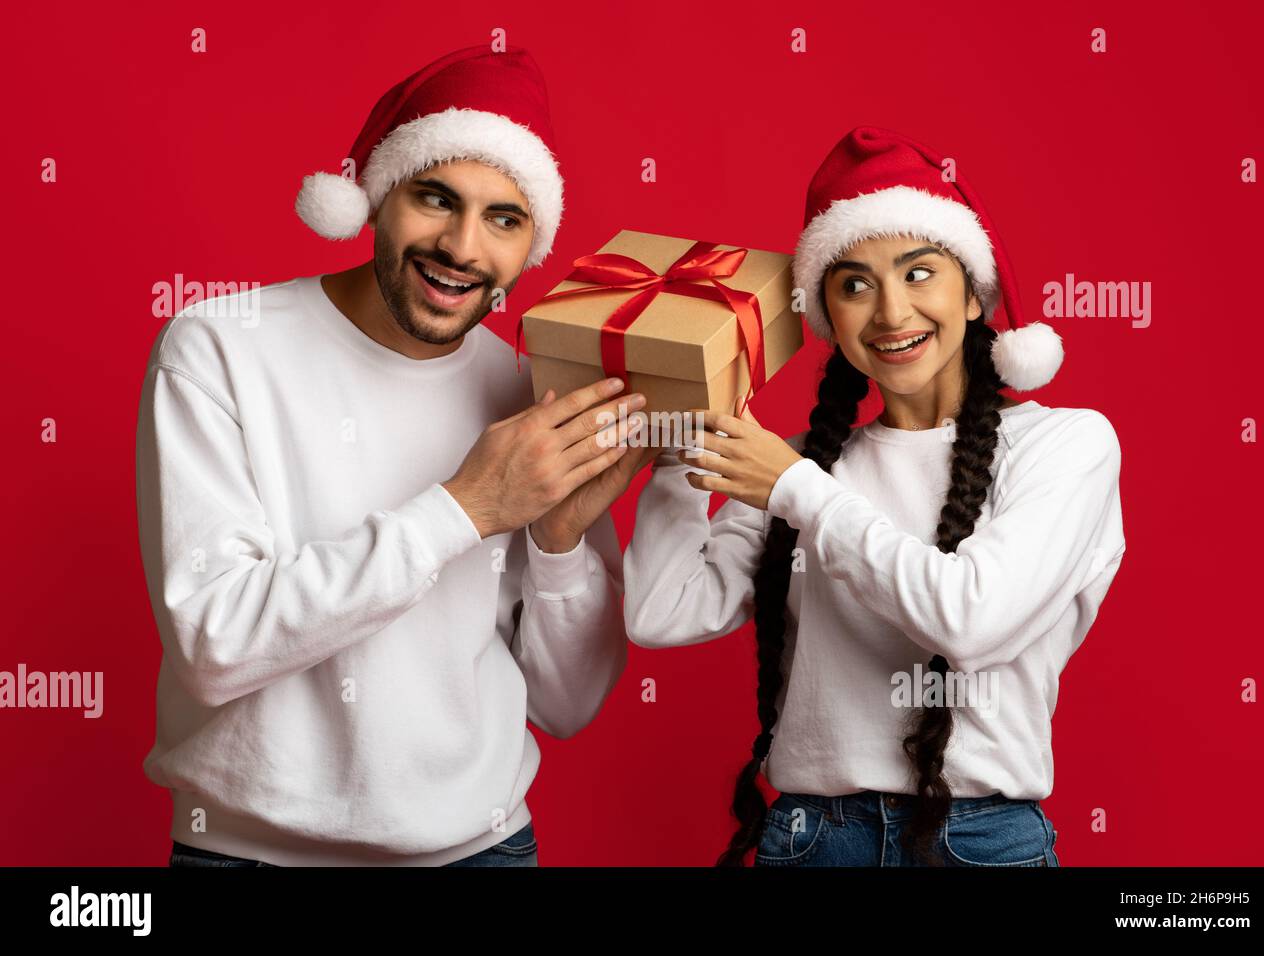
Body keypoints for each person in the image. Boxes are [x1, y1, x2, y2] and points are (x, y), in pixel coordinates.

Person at [137, 45, 644, 867]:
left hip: (483, 850)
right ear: (373, 197)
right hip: (248, 854)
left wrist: (557, 544)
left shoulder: (524, 389)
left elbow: (569, 704)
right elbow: (214, 644)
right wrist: (465, 508)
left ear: (531, 245)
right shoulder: (218, 350)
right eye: (435, 198)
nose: (462, 247)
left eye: (504, 219)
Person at [622, 126, 1125, 866]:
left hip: (981, 841)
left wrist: (799, 493)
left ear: (974, 293)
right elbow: (662, 612)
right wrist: (676, 454)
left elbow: (971, 620)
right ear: (829, 316)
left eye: (919, 273)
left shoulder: (1069, 445)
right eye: (854, 283)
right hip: (812, 839)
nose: (890, 313)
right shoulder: (796, 466)